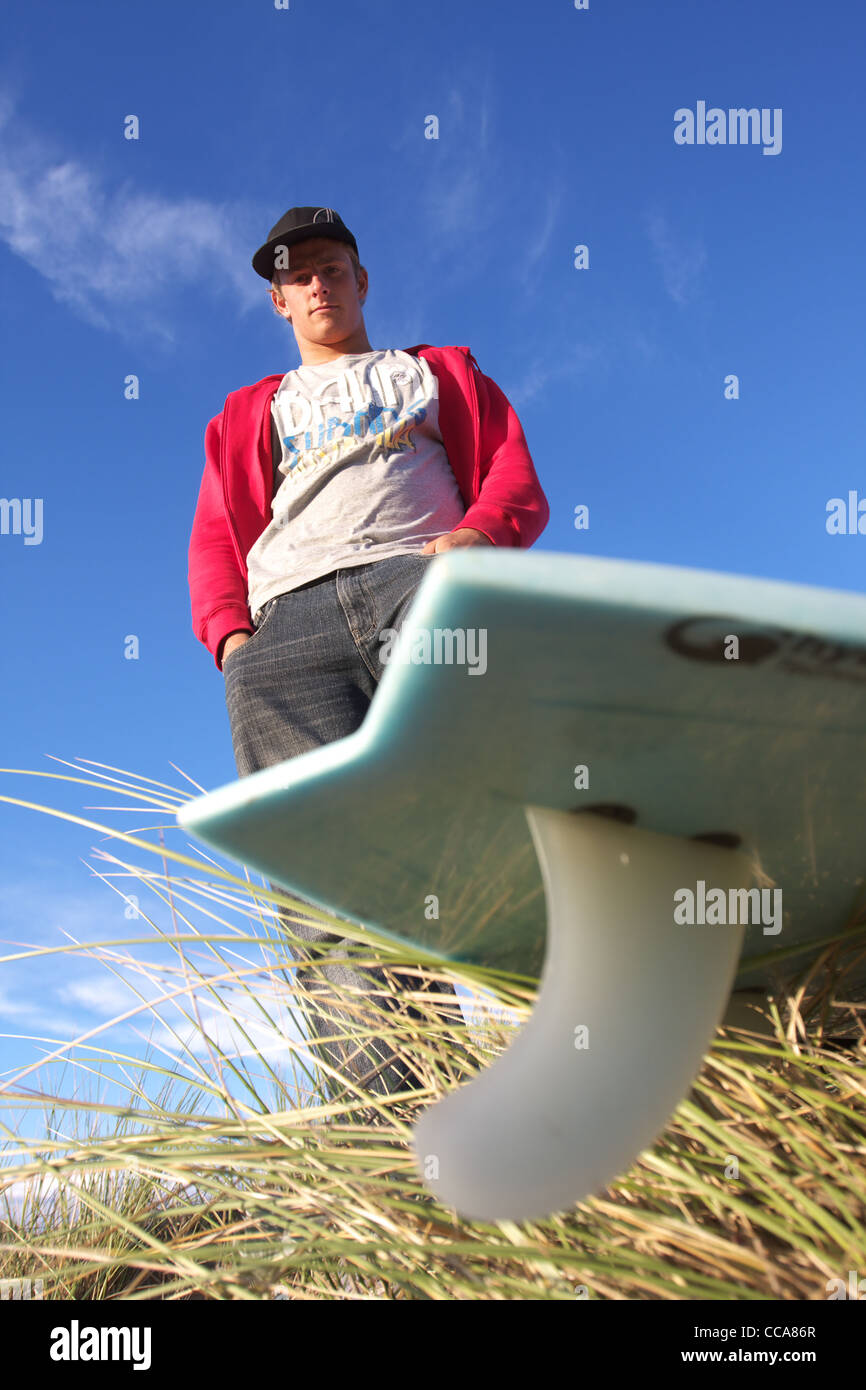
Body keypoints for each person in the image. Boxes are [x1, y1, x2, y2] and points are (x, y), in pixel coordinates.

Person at [188, 205, 549, 1112]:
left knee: (508, 829)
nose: (317, 282)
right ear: (278, 301)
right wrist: (234, 640)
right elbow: (216, 533)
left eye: (331, 266)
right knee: (332, 895)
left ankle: (573, 1086)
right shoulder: (248, 412)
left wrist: (475, 538)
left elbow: (511, 469)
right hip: (285, 638)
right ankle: (402, 1154)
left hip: (419, 594)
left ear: (361, 280)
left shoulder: (435, 372)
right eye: (297, 274)